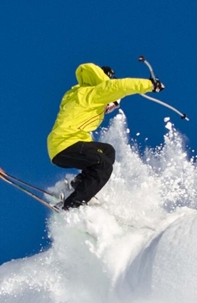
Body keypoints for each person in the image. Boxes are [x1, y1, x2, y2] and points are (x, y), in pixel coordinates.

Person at [47, 63, 164, 209]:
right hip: (66, 143)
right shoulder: (96, 94)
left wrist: (103, 76)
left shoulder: (79, 93)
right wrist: (150, 85)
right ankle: (70, 206)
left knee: (107, 151)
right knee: (103, 166)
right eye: (112, 105)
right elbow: (119, 87)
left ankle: (78, 185)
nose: (109, 109)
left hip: (68, 141)